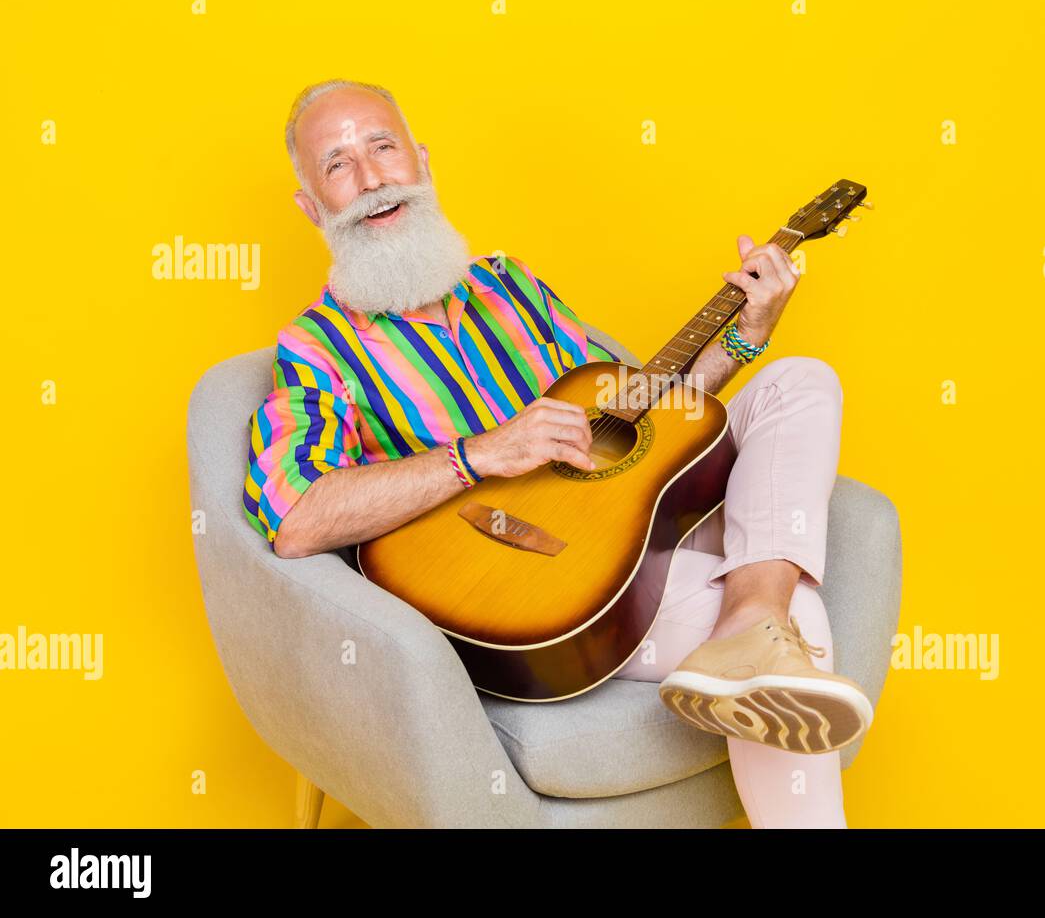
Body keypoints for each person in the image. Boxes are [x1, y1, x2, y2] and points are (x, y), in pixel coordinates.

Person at [243, 79, 873, 828]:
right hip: (525, 584)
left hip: (619, 523)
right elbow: (296, 517)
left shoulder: (508, 284)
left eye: (383, 147)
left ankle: (749, 621)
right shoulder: (315, 346)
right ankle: (763, 615)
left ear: (422, 161)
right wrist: (478, 455)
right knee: (799, 607)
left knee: (801, 379)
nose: (372, 177)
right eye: (338, 164)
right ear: (311, 207)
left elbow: (637, 418)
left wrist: (745, 334)